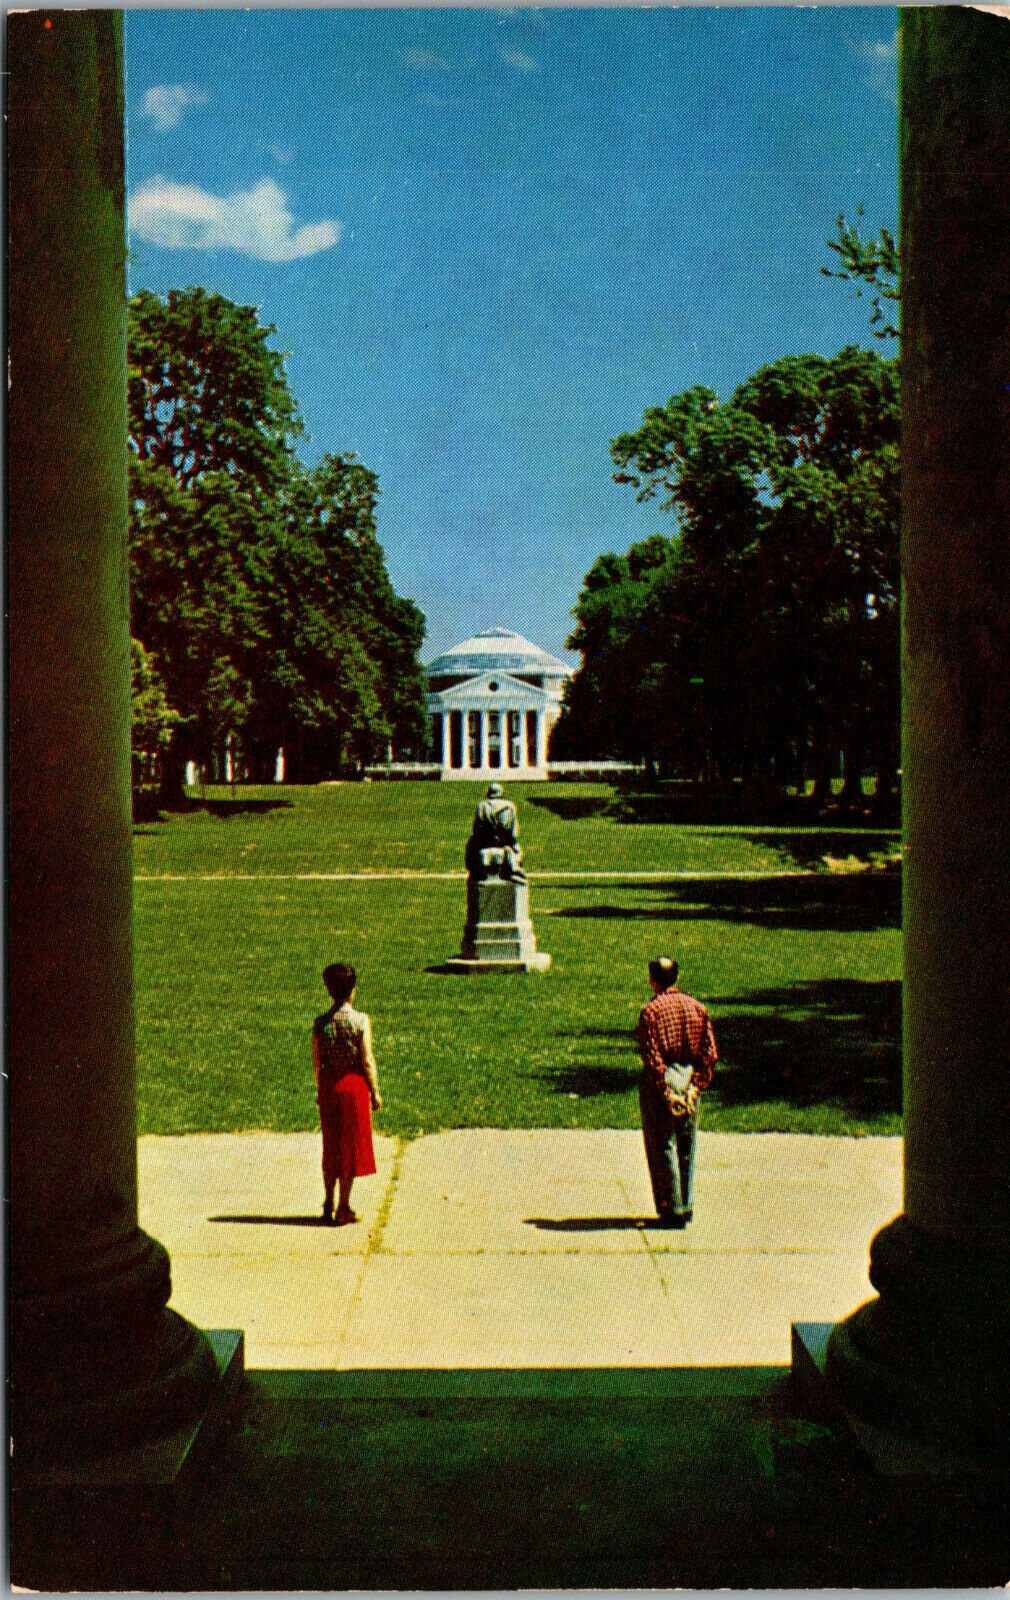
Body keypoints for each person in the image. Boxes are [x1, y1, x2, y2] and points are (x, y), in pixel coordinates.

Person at [637, 956, 718, 1227]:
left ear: (652, 980)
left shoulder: (651, 1012)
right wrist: (695, 1088)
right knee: (686, 1144)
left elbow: (652, 1056)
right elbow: (709, 1053)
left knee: (662, 1144)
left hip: (664, 1082)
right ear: (676, 978)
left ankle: (670, 1208)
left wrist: (666, 1091)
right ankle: (686, 1204)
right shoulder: (697, 1008)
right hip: (688, 1076)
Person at [312, 963, 382, 1226]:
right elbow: (367, 1060)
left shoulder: (320, 1024)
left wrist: (321, 1089)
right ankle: (344, 1206)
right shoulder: (360, 1021)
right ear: (352, 990)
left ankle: (328, 1200)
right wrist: (374, 1092)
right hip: (353, 1087)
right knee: (349, 1149)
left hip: (330, 1087)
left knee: (331, 1146)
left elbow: (317, 1062)